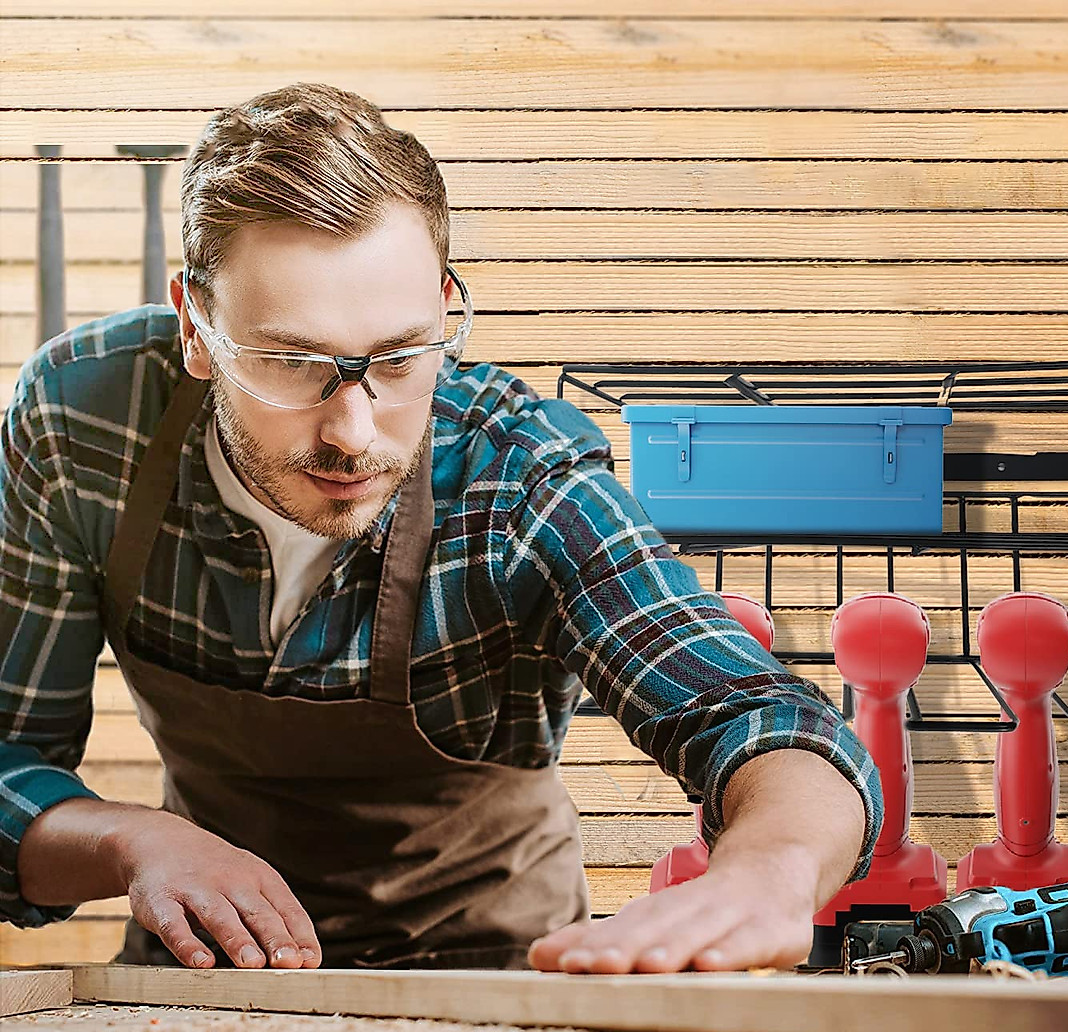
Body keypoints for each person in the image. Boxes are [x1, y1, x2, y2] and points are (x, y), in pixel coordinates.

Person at [0, 83, 881, 974]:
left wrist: (771, 870)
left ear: (445, 304)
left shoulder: (516, 476)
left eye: (399, 357)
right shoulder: (87, 422)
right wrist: (131, 841)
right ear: (197, 328)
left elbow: (752, 710)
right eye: (293, 363)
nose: (352, 431)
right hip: (199, 980)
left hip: (494, 985)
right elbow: (9, 755)